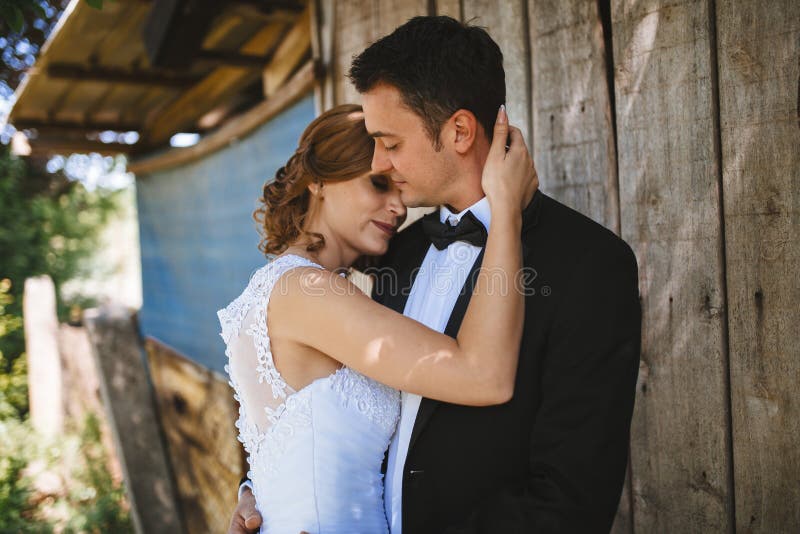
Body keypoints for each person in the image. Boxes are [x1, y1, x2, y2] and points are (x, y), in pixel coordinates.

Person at [231, 16, 641, 534]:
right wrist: (261, 492)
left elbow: (570, 500)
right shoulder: (396, 255)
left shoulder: (588, 263)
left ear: (460, 131)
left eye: (391, 143)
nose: (380, 159)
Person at [220, 102, 537, 533]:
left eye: (399, 191)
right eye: (377, 185)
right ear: (318, 183)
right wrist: (506, 210)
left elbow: (291, 440)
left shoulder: (298, 286)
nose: (398, 208)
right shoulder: (306, 292)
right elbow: (483, 376)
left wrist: (252, 489)